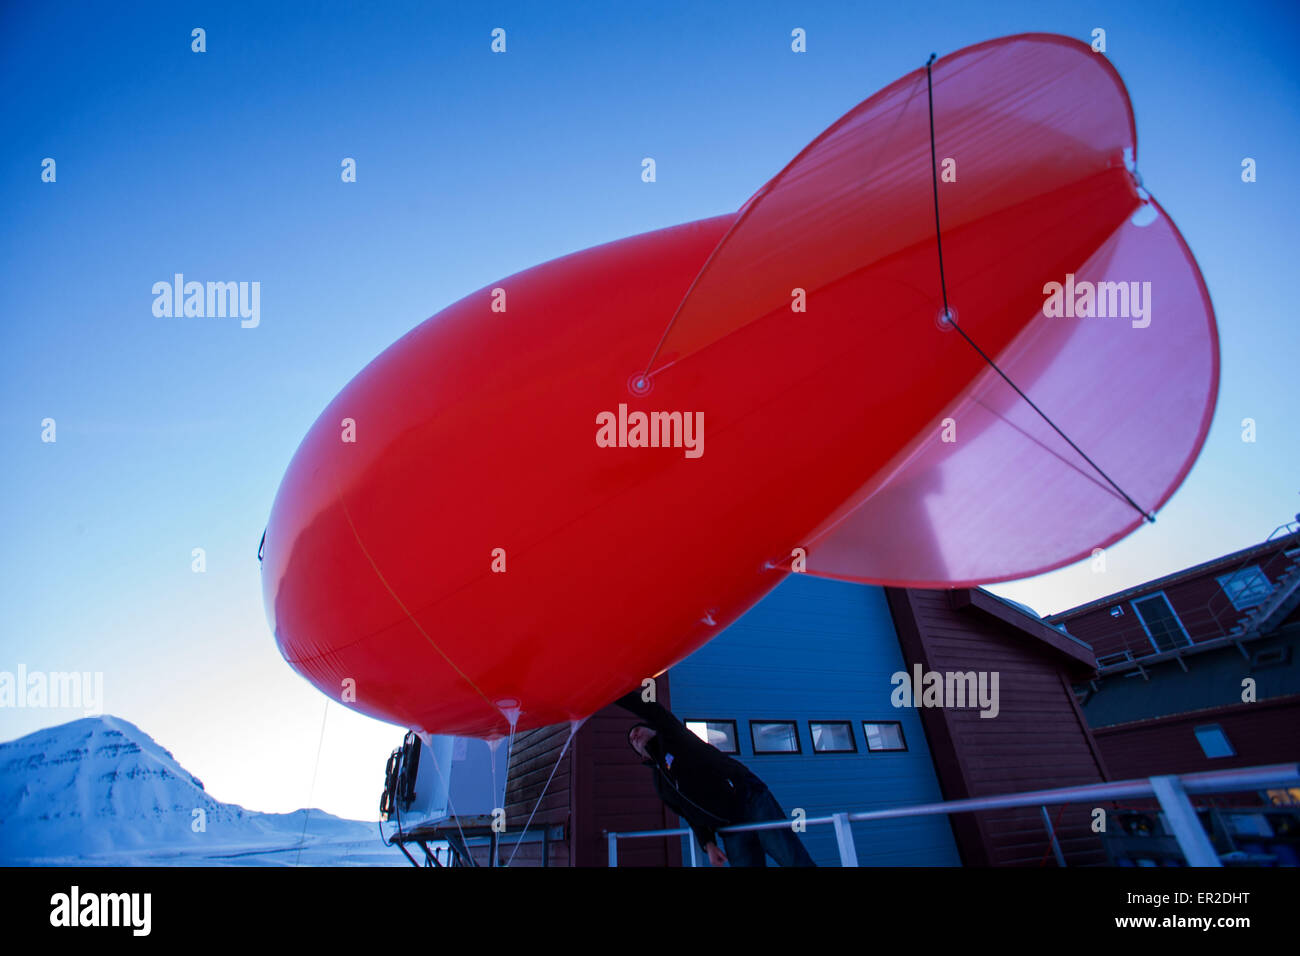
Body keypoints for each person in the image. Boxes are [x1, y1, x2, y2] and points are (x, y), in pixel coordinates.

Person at [615, 688, 816, 867]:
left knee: (793, 860)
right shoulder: (661, 785)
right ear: (641, 755)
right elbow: (689, 812)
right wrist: (707, 844)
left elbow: (651, 710)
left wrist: (613, 694)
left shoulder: (673, 737)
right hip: (729, 827)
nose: (634, 735)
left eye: (638, 729)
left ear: (653, 729)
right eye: (631, 739)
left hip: (750, 800)